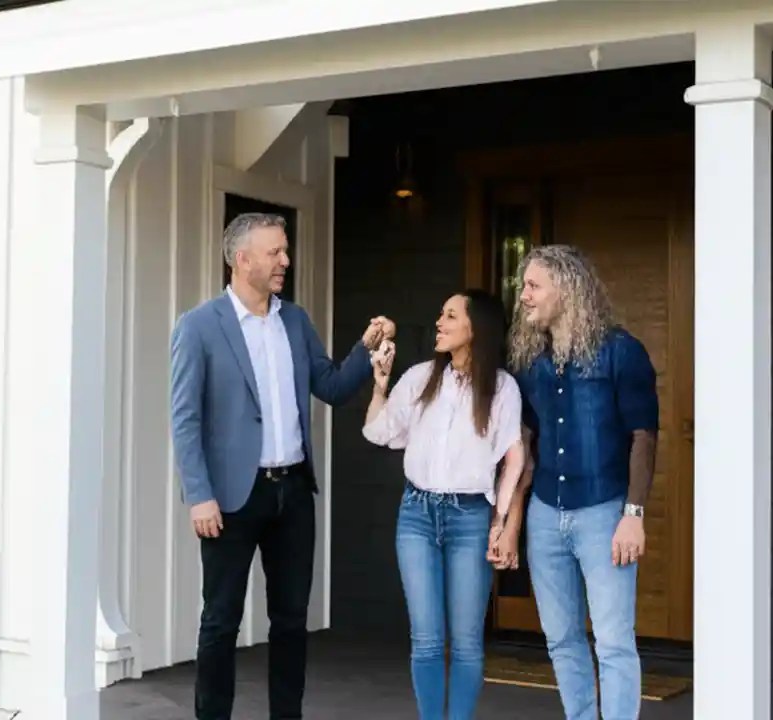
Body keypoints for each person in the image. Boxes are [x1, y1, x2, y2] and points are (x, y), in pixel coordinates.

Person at [169, 212, 395, 720]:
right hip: (231, 497)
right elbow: (185, 418)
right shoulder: (199, 326)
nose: (285, 261)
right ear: (241, 259)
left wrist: (367, 349)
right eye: (275, 252)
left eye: (285, 251)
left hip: (291, 491)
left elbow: (332, 386)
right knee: (221, 621)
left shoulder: (294, 320)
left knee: (291, 622)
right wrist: (199, 494)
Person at [507, 244, 659, 720]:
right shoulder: (530, 360)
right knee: (561, 638)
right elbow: (525, 441)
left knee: (613, 641)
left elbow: (644, 436)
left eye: (534, 286)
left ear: (567, 289)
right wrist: (509, 520)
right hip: (545, 513)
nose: (524, 295)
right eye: (524, 286)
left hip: (604, 513)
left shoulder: (621, 352)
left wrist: (633, 515)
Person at [362, 289, 526, 720]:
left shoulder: (502, 388)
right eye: (441, 314)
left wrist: (500, 521)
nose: (439, 322)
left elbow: (514, 459)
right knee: (427, 640)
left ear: (477, 327)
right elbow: (378, 432)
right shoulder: (419, 378)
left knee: (467, 642)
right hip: (416, 515)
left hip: (470, 517)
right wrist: (380, 385)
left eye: (450, 316)